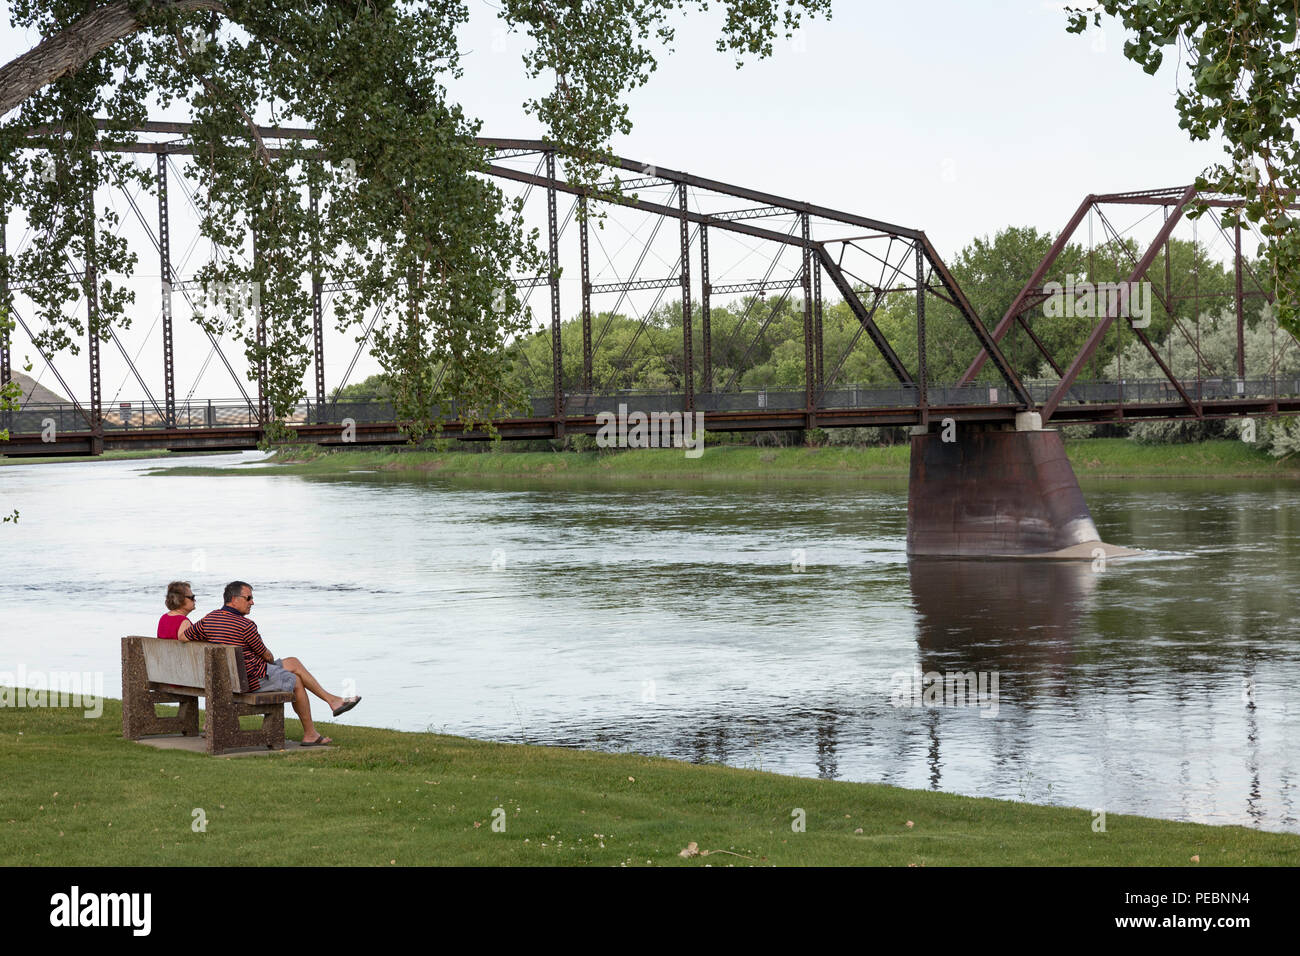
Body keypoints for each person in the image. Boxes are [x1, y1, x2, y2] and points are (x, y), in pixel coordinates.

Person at [188, 580, 361, 746]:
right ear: (234, 600)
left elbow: (183, 636)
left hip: (225, 680)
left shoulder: (209, 619)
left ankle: (332, 701)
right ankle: (311, 733)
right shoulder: (245, 626)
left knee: (293, 662)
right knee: (296, 680)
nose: (252, 602)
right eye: (248, 598)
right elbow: (267, 656)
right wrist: (268, 660)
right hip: (249, 681)